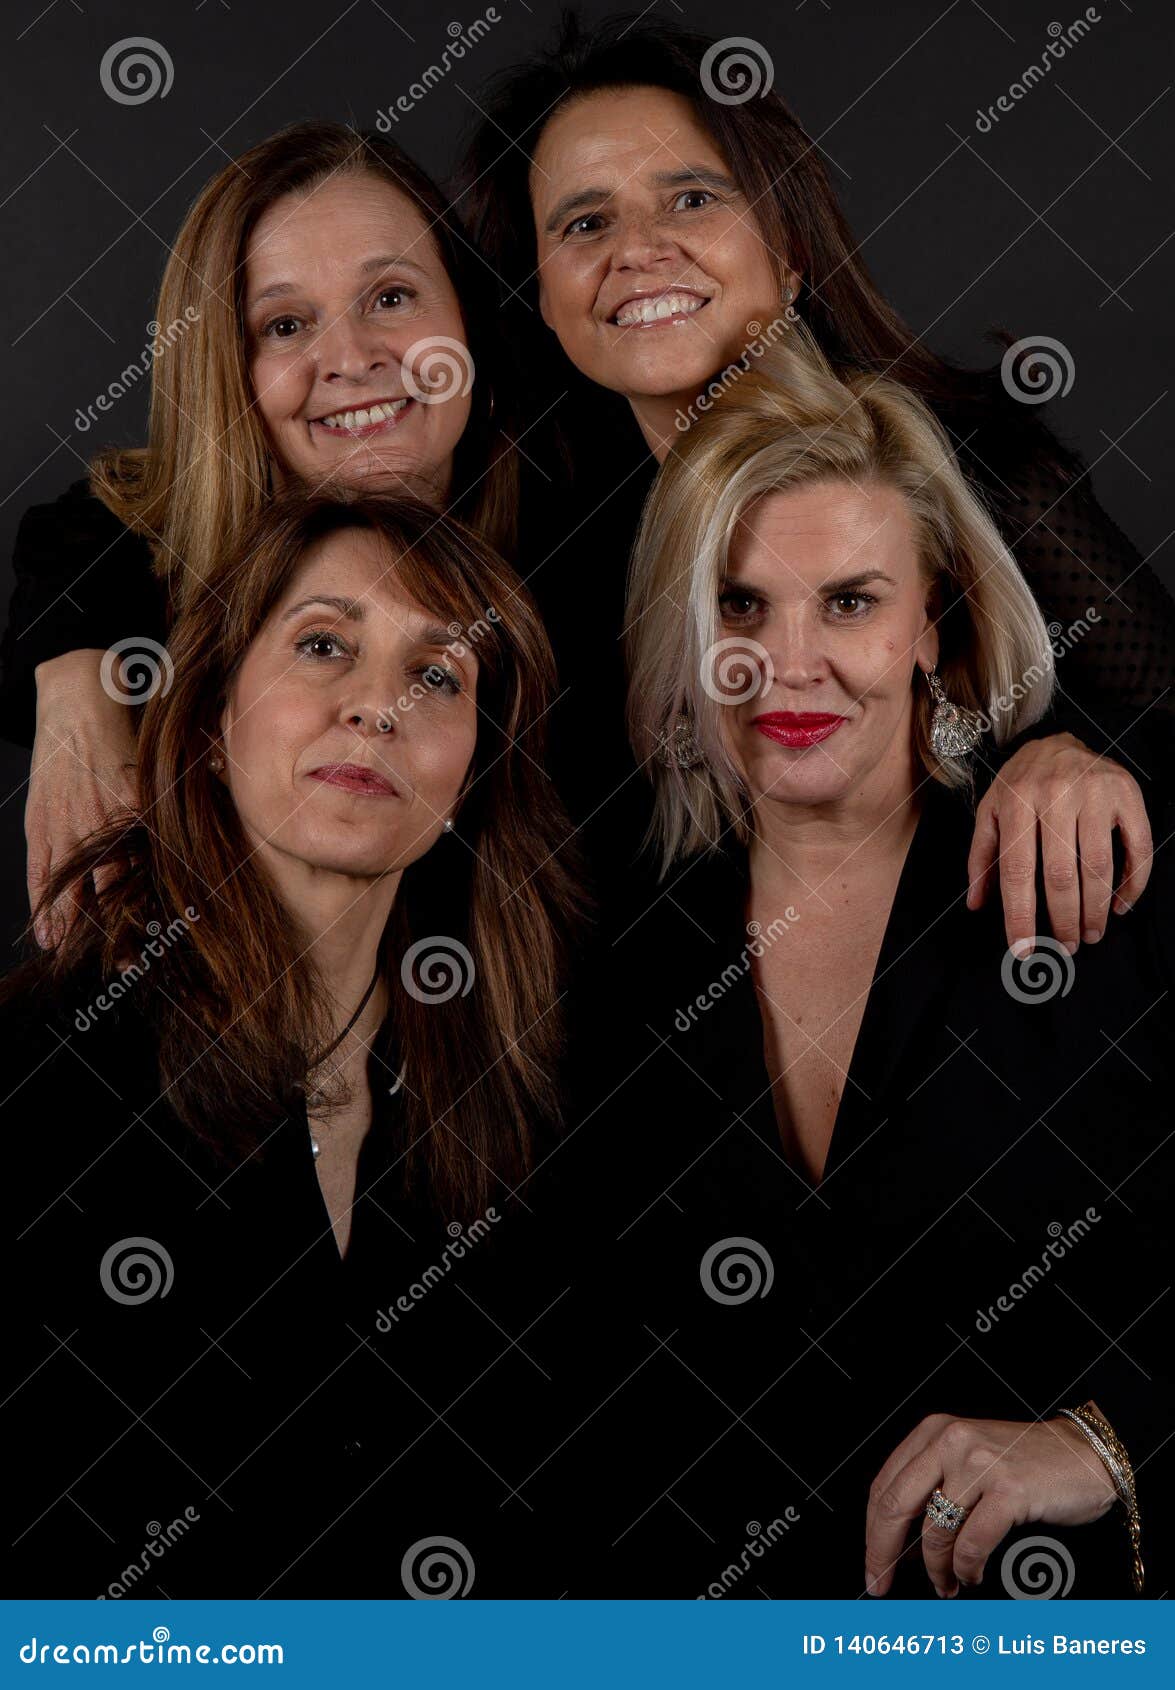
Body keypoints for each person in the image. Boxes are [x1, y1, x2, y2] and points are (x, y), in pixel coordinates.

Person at [532, 330, 1173, 1599]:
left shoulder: (1097, 874)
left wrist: (1110, 1440)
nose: (789, 664)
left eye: (849, 602)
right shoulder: (603, 945)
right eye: (740, 606)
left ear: (932, 622)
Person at [457, 9, 1174, 951]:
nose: (637, 249)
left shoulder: (985, 477)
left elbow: (1165, 709)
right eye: (585, 222)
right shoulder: (543, 558)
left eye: (691, 199)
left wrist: (1077, 752)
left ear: (789, 253)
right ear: (543, 296)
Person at [3, 489, 588, 1597]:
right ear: (214, 722)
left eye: (437, 674)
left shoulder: (517, 1111)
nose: (377, 706)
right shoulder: (32, 1076)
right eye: (323, 645)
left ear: (471, 770)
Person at [0, 119, 514, 947]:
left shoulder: (571, 535)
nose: (347, 358)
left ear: (468, 319)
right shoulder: (142, 596)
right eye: (284, 325)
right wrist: (73, 684)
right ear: (228, 372)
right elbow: (97, 519)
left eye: (390, 296)